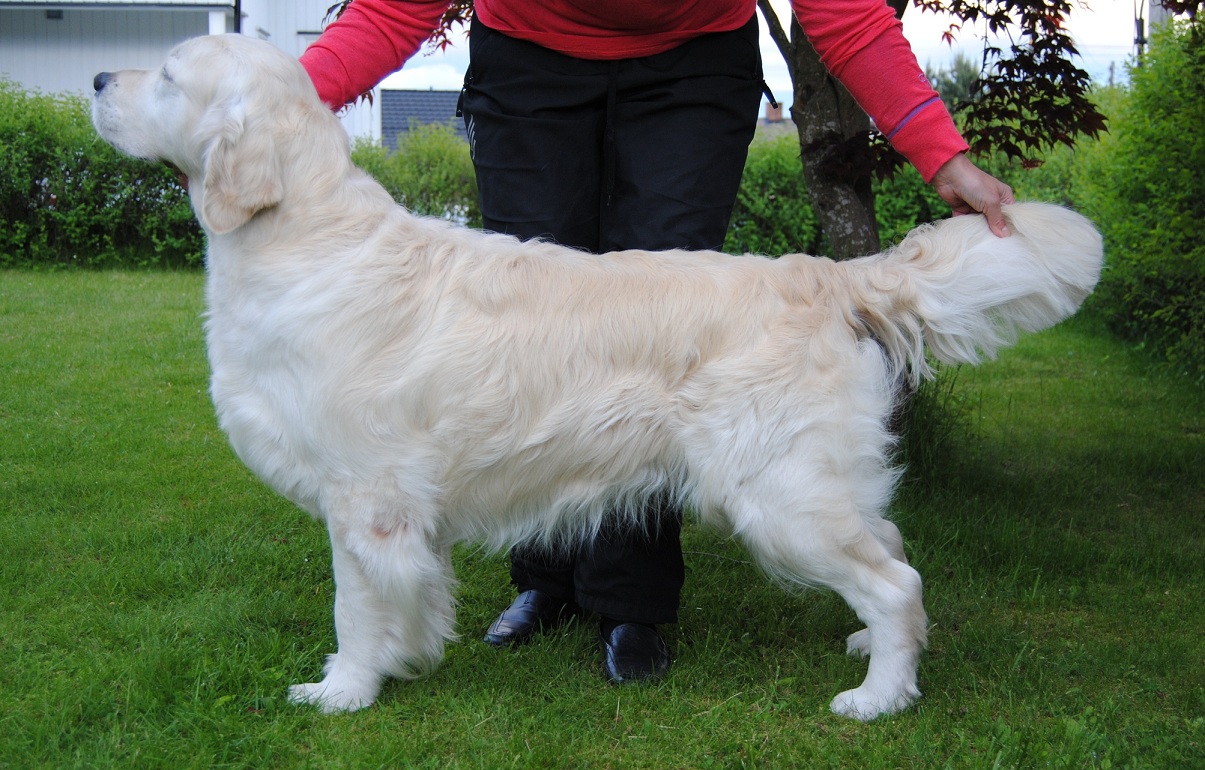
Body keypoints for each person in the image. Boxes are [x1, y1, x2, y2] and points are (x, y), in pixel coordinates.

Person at [299, 0, 1015, 685]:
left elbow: (846, 12)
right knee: (525, 336)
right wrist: (270, 107)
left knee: (671, 337)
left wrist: (940, 153)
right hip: (526, 62)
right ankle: (546, 582)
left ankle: (630, 606)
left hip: (691, 65)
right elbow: (392, 9)